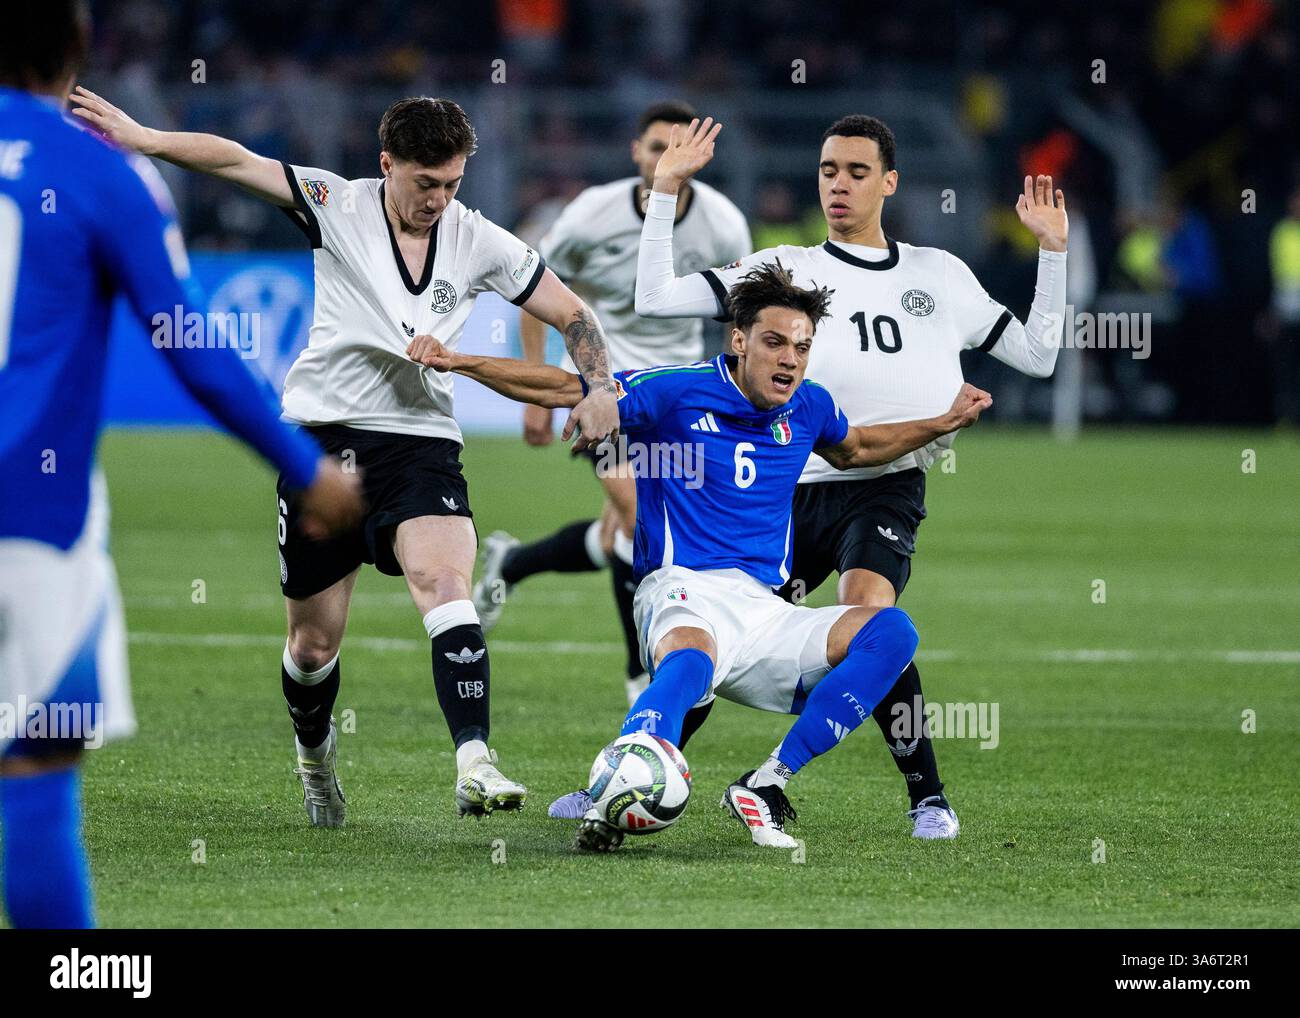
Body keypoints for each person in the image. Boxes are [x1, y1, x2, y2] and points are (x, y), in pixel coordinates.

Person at [69, 86, 621, 824]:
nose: (438, 199)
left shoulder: (479, 237)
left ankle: (475, 762)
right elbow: (238, 160)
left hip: (421, 439)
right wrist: (149, 138)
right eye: (425, 183)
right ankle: (315, 758)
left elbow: (571, 312)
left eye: (452, 183)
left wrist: (602, 385)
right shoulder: (335, 200)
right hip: (322, 443)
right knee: (311, 643)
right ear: (386, 163)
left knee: (444, 580)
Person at [406, 262, 991, 851]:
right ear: (739, 341)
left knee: (890, 633)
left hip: (765, 610)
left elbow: (859, 447)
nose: (790, 359)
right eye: (775, 343)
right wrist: (460, 362)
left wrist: (942, 423)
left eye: (802, 348)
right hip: (679, 588)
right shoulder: (678, 391)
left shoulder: (809, 406)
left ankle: (765, 782)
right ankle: (613, 790)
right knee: (688, 661)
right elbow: (564, 387)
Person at [0, 2, 363, 927]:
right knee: (36, 768)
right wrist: (303, 466)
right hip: (33, 526)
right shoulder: (100, 173)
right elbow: (190, 341)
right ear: (79, 48)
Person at [631, 115, 1068, 839]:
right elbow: (656, 296)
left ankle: (920, 796)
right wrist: (665, 192)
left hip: (886, 481)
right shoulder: (788, 269)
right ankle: (640, 768)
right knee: (721, 629)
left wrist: (1052, 254)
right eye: (829, 169)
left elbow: (1038, 356)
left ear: (890, 183)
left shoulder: (941, 276)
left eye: (858, 172)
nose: (839, 183)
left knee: (872, 614)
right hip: (783, 487)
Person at [475, 100, 751, 708]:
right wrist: (538, 398)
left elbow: (742, 313)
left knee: (617, 535)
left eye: (678, 150)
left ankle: (512, 563)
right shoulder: (591, 215)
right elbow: (533, 292)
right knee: (638, 519)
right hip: (608, 390)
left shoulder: (725, 225)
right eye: (656, 148)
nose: (665, 160)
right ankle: (641, 672)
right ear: (636, 152)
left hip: (680, 394)